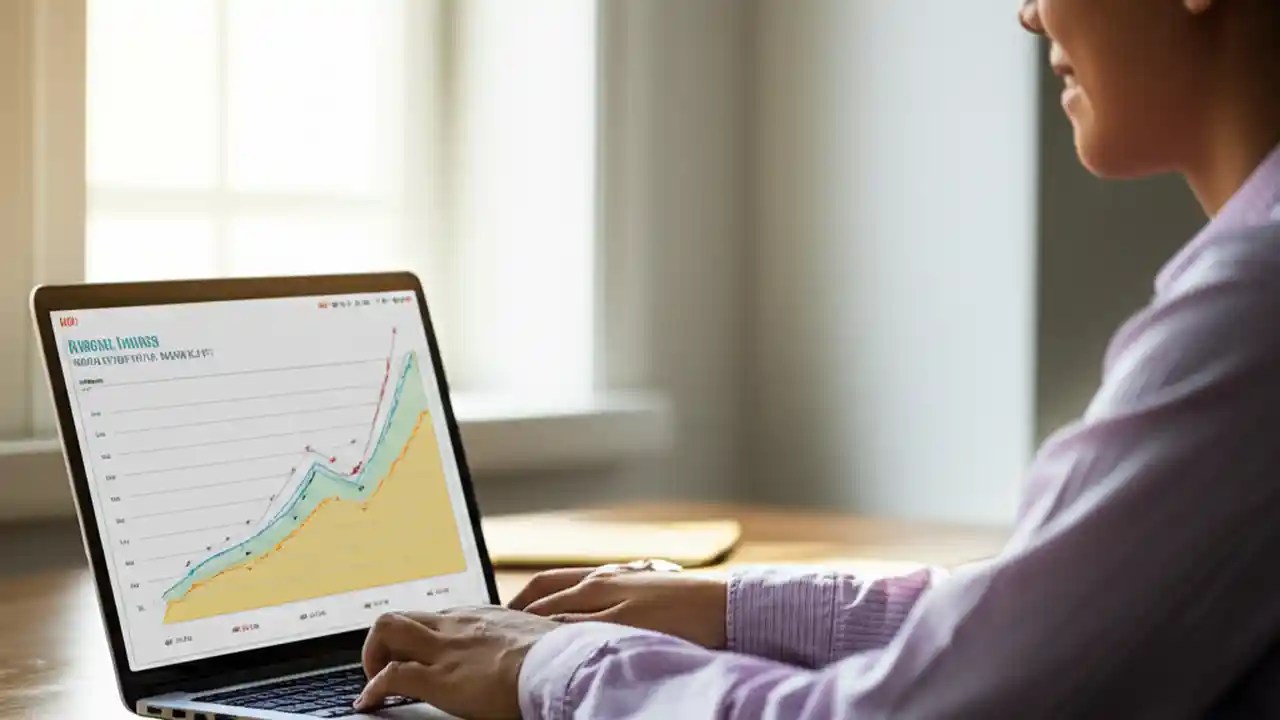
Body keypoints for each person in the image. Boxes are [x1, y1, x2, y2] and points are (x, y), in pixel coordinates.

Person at [354, 0, 1280, 717]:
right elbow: (1043, 621)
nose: (1027, 11)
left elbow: (915, 711)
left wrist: (541, 665)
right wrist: (730, 609)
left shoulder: (1252, 306)